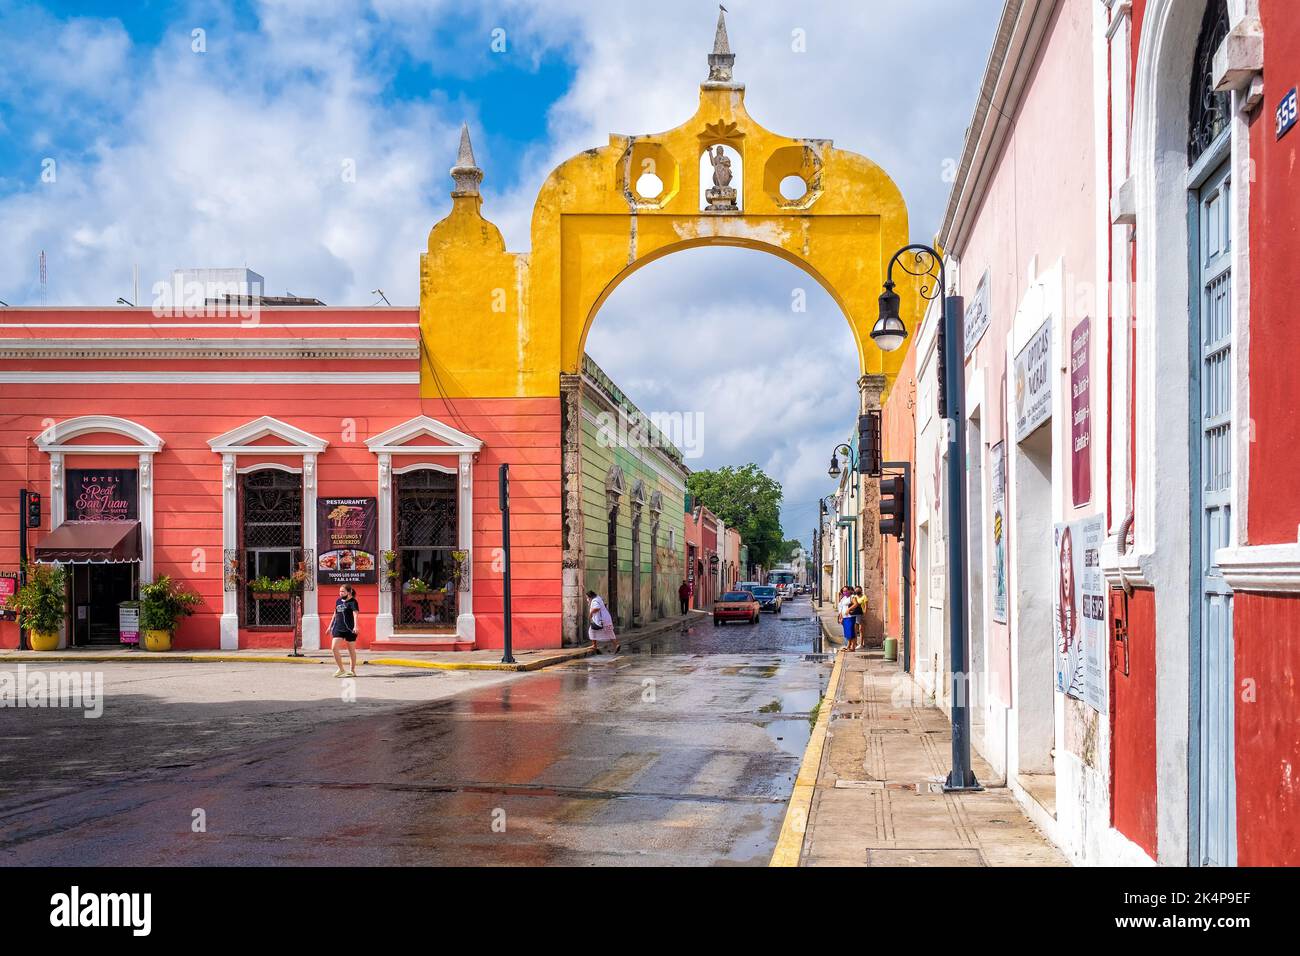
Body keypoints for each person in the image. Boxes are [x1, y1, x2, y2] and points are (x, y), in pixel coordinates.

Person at [329, 584, 360, 677]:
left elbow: (355, 615)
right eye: (340, 591)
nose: (340, 593)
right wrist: (330, 626)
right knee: (334, 648)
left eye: (343, 591)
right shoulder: (338, 601)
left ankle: (352, 670)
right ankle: (341, 669)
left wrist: (356, 626)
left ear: (349, 592)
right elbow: (335, 614)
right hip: (339, 628)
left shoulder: (353, 602)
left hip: (350, 629)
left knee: (351, 651)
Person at [586, 589, 619, 654]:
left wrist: (591, 613)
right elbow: (603, 605)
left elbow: (597, 608)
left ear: (590, 597)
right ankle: (616, 645)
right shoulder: (598, 598)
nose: (587, 599)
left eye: (587, 597)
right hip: (606, 618)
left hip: (601, 620)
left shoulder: (594, 601)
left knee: (591, 631)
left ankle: (594, 645)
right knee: (610, 632)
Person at [850, 586, 867, 652]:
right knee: (855, 629)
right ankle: (856, 643)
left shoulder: (864, 597)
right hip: (855, 614)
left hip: (861, 614)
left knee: (861, 629)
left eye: (858, 590)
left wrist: (864, 615)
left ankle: (862, 644)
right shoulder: (855, 597)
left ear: (861, 590)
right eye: (856, 590)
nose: (857, 591)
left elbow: (866, 607)